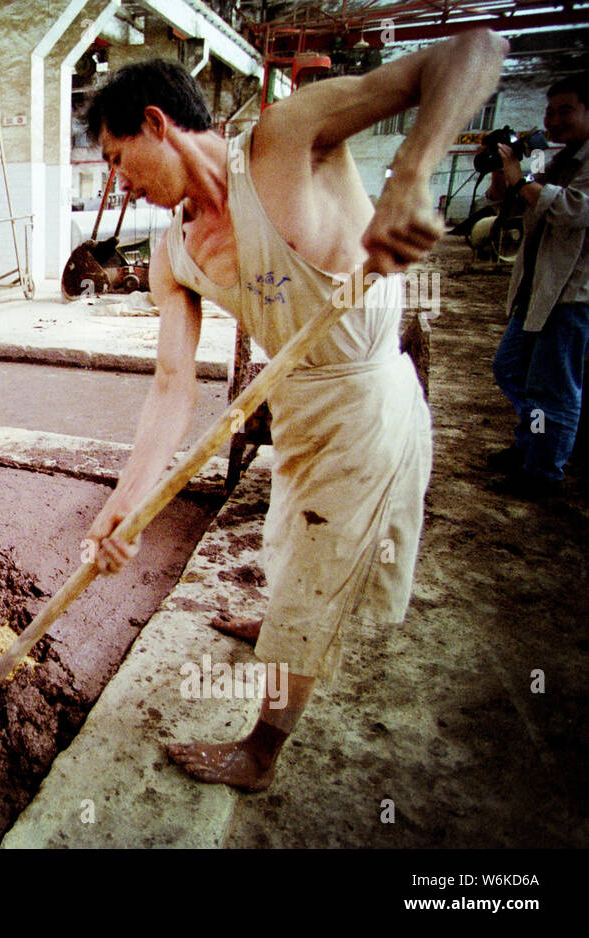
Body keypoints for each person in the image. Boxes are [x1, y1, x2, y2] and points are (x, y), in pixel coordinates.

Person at [80, 31, 507, 791]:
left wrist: (411, 176)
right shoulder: (172, 257)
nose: (118, 183)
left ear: (155, 122)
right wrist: (127, 500)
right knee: (291, 537)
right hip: (300, 398)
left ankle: (260, 754)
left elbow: (473, 49)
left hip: (364, 396)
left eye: (115, 157)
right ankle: (278, 625)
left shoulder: (286, 140)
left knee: (317, 580)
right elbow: (172, 388)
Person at [486, 72, 589, 498]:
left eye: (566, 109)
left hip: (570, 296)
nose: (554, 118)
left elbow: (572, 211)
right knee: (511, 370)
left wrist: (522, 177)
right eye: (550, 110)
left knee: (553, 388)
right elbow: (505, 202)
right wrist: (502, 171)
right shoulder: (553, 158)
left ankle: (543, 470)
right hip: (535, 289)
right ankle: (533, 442)